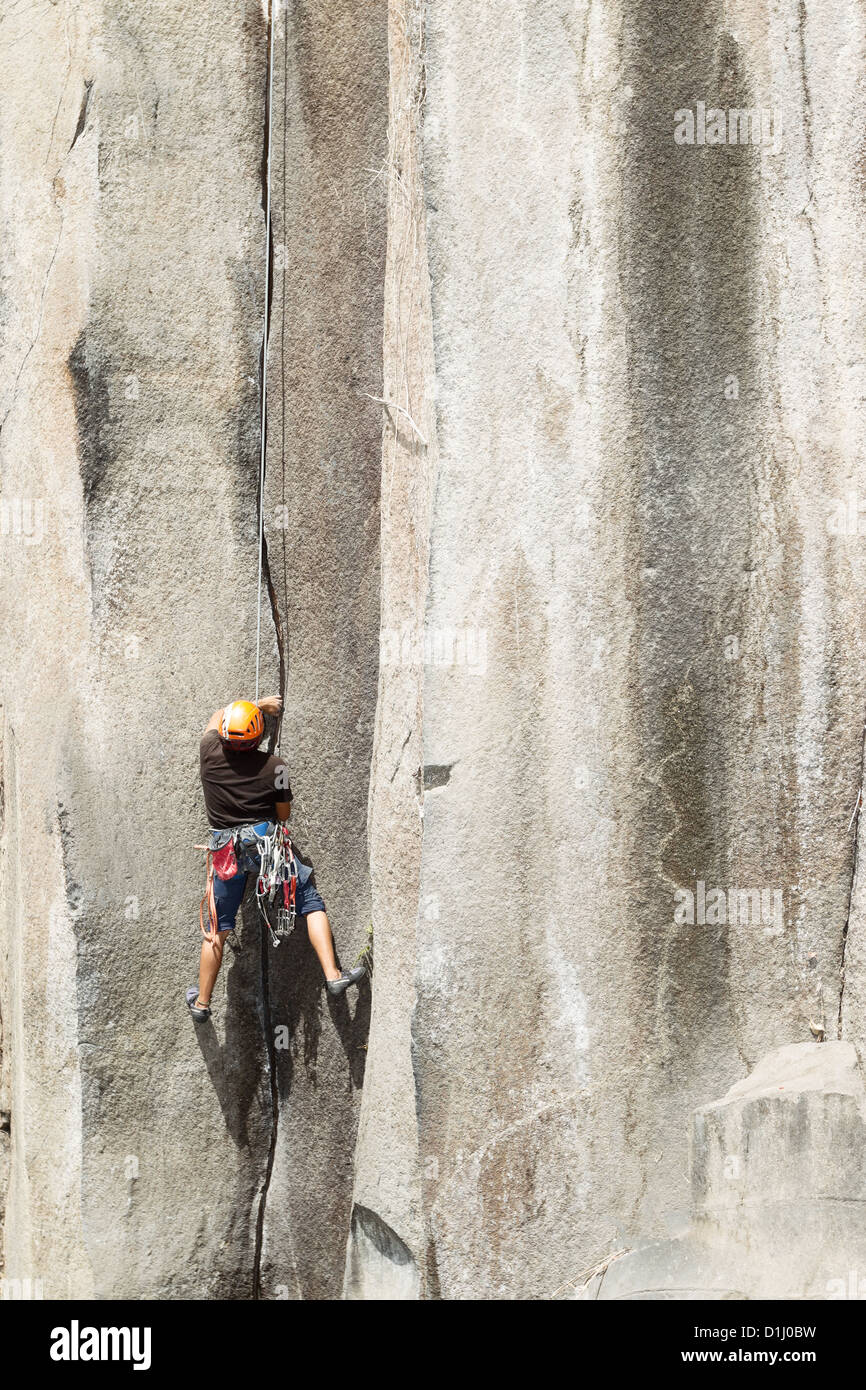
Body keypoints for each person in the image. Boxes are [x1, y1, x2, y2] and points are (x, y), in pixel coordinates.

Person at [186, 694, 364, 1021]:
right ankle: (333, 974)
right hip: (267, 846)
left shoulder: (208, 753)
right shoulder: (275, 767)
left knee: (218, 926)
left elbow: (217, 714)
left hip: (226, 851)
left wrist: (256, 704)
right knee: (309, 901)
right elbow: (284, 813)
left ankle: (202, 1004)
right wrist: (266, 710)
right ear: (258, 735)